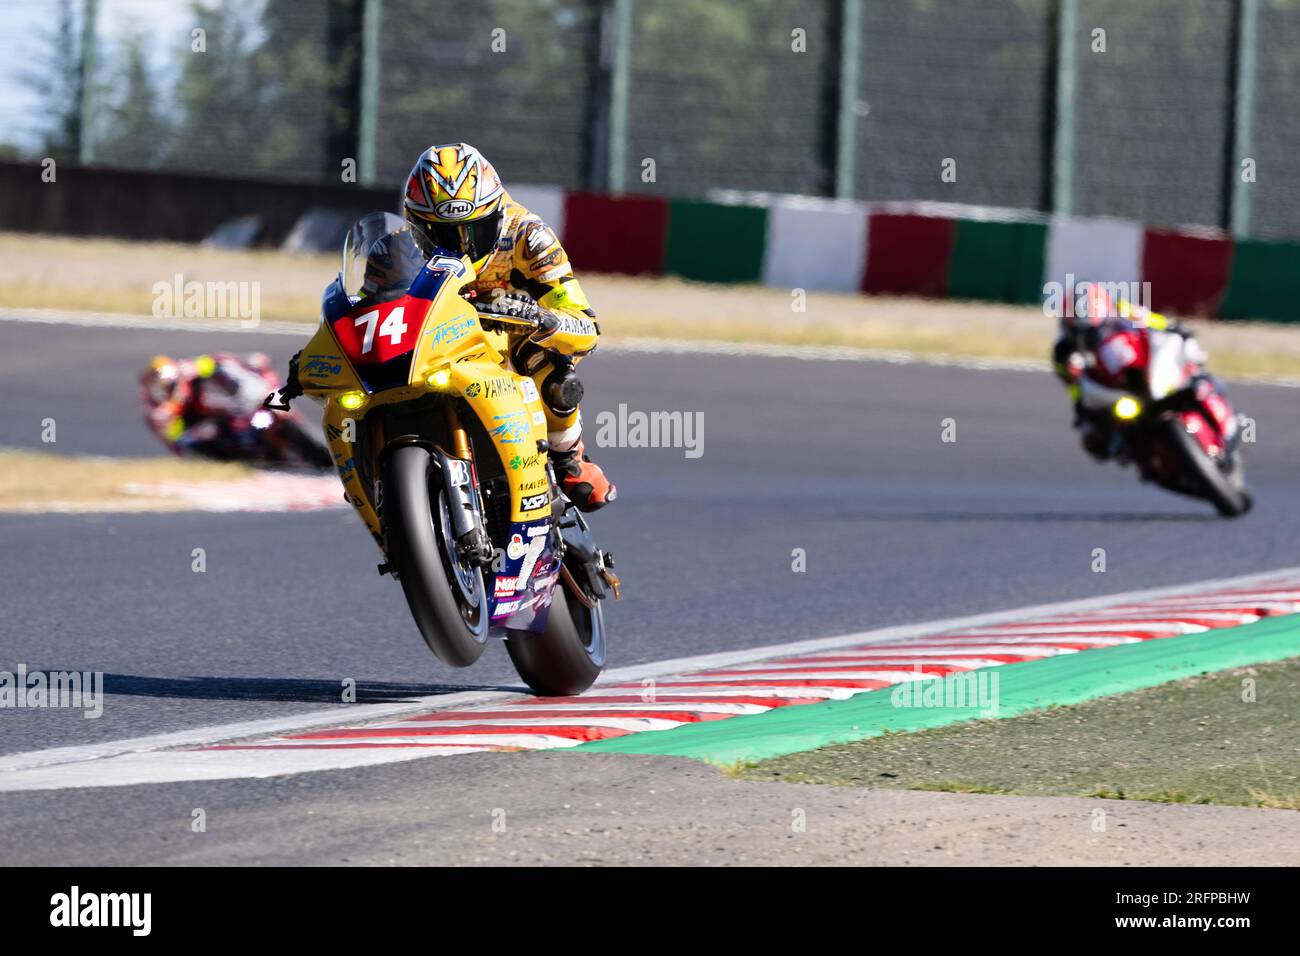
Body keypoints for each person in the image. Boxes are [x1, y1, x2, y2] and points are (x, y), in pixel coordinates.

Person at [401, 142, 616, 511]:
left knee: (546, 360)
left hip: (508, 350)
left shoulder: (528, 236)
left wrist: (542, 319)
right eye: (443, 236)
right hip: (433, 346)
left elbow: (585, 325)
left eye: (474, 232)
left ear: (496, 214)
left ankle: (567, 455)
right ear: (415, 225)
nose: (461, 247)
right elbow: (367, 300)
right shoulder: (399, 247)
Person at [1051, 282, 1206, 460]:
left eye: (1094, 331)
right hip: (1109, 388)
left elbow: (1149, 318)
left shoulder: (1119, 309)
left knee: (1188, 357)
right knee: (1094, 440)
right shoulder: (1062, 349)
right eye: (1084, 333)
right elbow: (1074, 386)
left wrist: (1171, 327)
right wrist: (1081, 404)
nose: (1090, 337)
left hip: (1138, 365)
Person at [139, 352, 280, 458]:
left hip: (219, 400)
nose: (169, 390)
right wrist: (185, 451)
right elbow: (172, 440)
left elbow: (217, 361)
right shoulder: (157, 411)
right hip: (198, 421)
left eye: (171, 385)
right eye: (165, 388)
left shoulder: (186, 370)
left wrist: (239, 368)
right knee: (197, 441)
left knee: (241, 397)